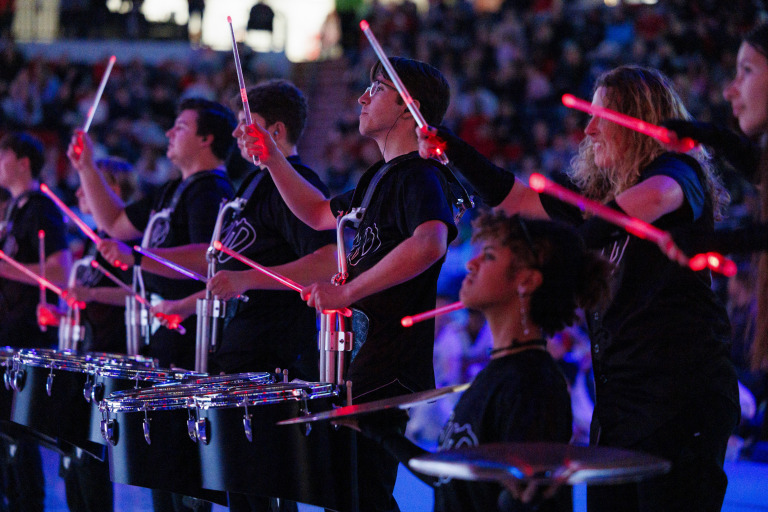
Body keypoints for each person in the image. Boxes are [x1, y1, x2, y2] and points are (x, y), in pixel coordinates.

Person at [417, 65, 740, 512]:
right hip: (620, 405)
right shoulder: (593, 198)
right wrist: (449, 148)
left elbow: (659, 196)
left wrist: (562, 249)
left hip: (680, 401)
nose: (588, 130)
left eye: (600, 117)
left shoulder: (677, 168)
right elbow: (514, 198)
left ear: (637, 121)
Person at [241, 57, 459, 511]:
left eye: (376, 88)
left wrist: (346, 293)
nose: (361, 97)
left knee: (364, 493)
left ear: (407, 108)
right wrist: (274, 158)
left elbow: (431, 242)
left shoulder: (419, 174)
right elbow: (319, 213)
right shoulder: (377, 178)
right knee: (349, 492)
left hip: (386, 363)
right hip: (359, 361)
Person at [342, 211, 612, 512]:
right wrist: (375, 431)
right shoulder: (501, 373)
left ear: (526, 280)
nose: (471, 263)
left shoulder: (530, 385)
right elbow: (456, 479)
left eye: (489, 256)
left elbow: (525, 500)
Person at [155, 80, 337, 387]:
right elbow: (235, 276)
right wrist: (183, 307)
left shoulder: (297, 186)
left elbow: (327, 264)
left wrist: (246, 279)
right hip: (238, 360)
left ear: (276, 132)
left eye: (245, 124)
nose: (237, 133)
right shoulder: (255, 183)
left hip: (272, 370)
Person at [67, 97, 237, 371]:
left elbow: (209, 257)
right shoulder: (173, 189)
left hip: (191, 335)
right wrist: (86, 166)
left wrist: (137, 257)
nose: (169, 133)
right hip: (164, 328)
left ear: (206, 138)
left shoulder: (211, 189)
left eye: (180, 127)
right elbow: (115, 223)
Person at [0, 132, 72, 512]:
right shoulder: (13, 209)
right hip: (9, 340)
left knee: (19, 437)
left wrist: (6, 267)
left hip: (27, 339)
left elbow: (60, 272)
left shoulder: (41, 207)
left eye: (3, 155)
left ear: (23, 161)